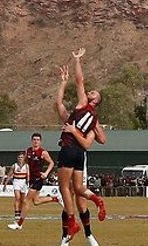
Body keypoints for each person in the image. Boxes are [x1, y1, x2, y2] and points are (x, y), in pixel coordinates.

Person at [55, 48, 107, 246]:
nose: (89, 91)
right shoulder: (92, 120)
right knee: (76, 189)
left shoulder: (84, 106)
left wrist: (77, 60)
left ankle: (74, 224)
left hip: (70, 150)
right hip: (79, 154)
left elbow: (80, 81)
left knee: (66, 190)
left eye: (93, 93)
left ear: (93, 100)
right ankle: (96, 201)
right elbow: (59, 103)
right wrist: (62, 82)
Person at [10, 132, 62, 230]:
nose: (36, 142)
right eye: (34, 140)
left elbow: (51, 163)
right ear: (31, 141)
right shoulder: (28, 151)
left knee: (26, 201)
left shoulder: (43, 152)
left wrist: (46, 173)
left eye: (38, 140)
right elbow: (24, 161)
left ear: (40, 141)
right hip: (32, 179)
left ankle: (19, 224)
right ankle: (56, 199)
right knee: (36, 201)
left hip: (38, 179)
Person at [3, 153, 30, 229]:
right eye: (19, 157)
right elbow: (9, 175)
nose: (20, 158)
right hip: (17, 182)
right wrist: (5, 184)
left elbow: (28, 175)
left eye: (22, 157)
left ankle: (20, 212)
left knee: (23, 200)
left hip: (24, 182)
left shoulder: (26, 166)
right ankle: (16, 213)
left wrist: (28, 182)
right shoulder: (14, 166)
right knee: (17, 197)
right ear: (17, 158)